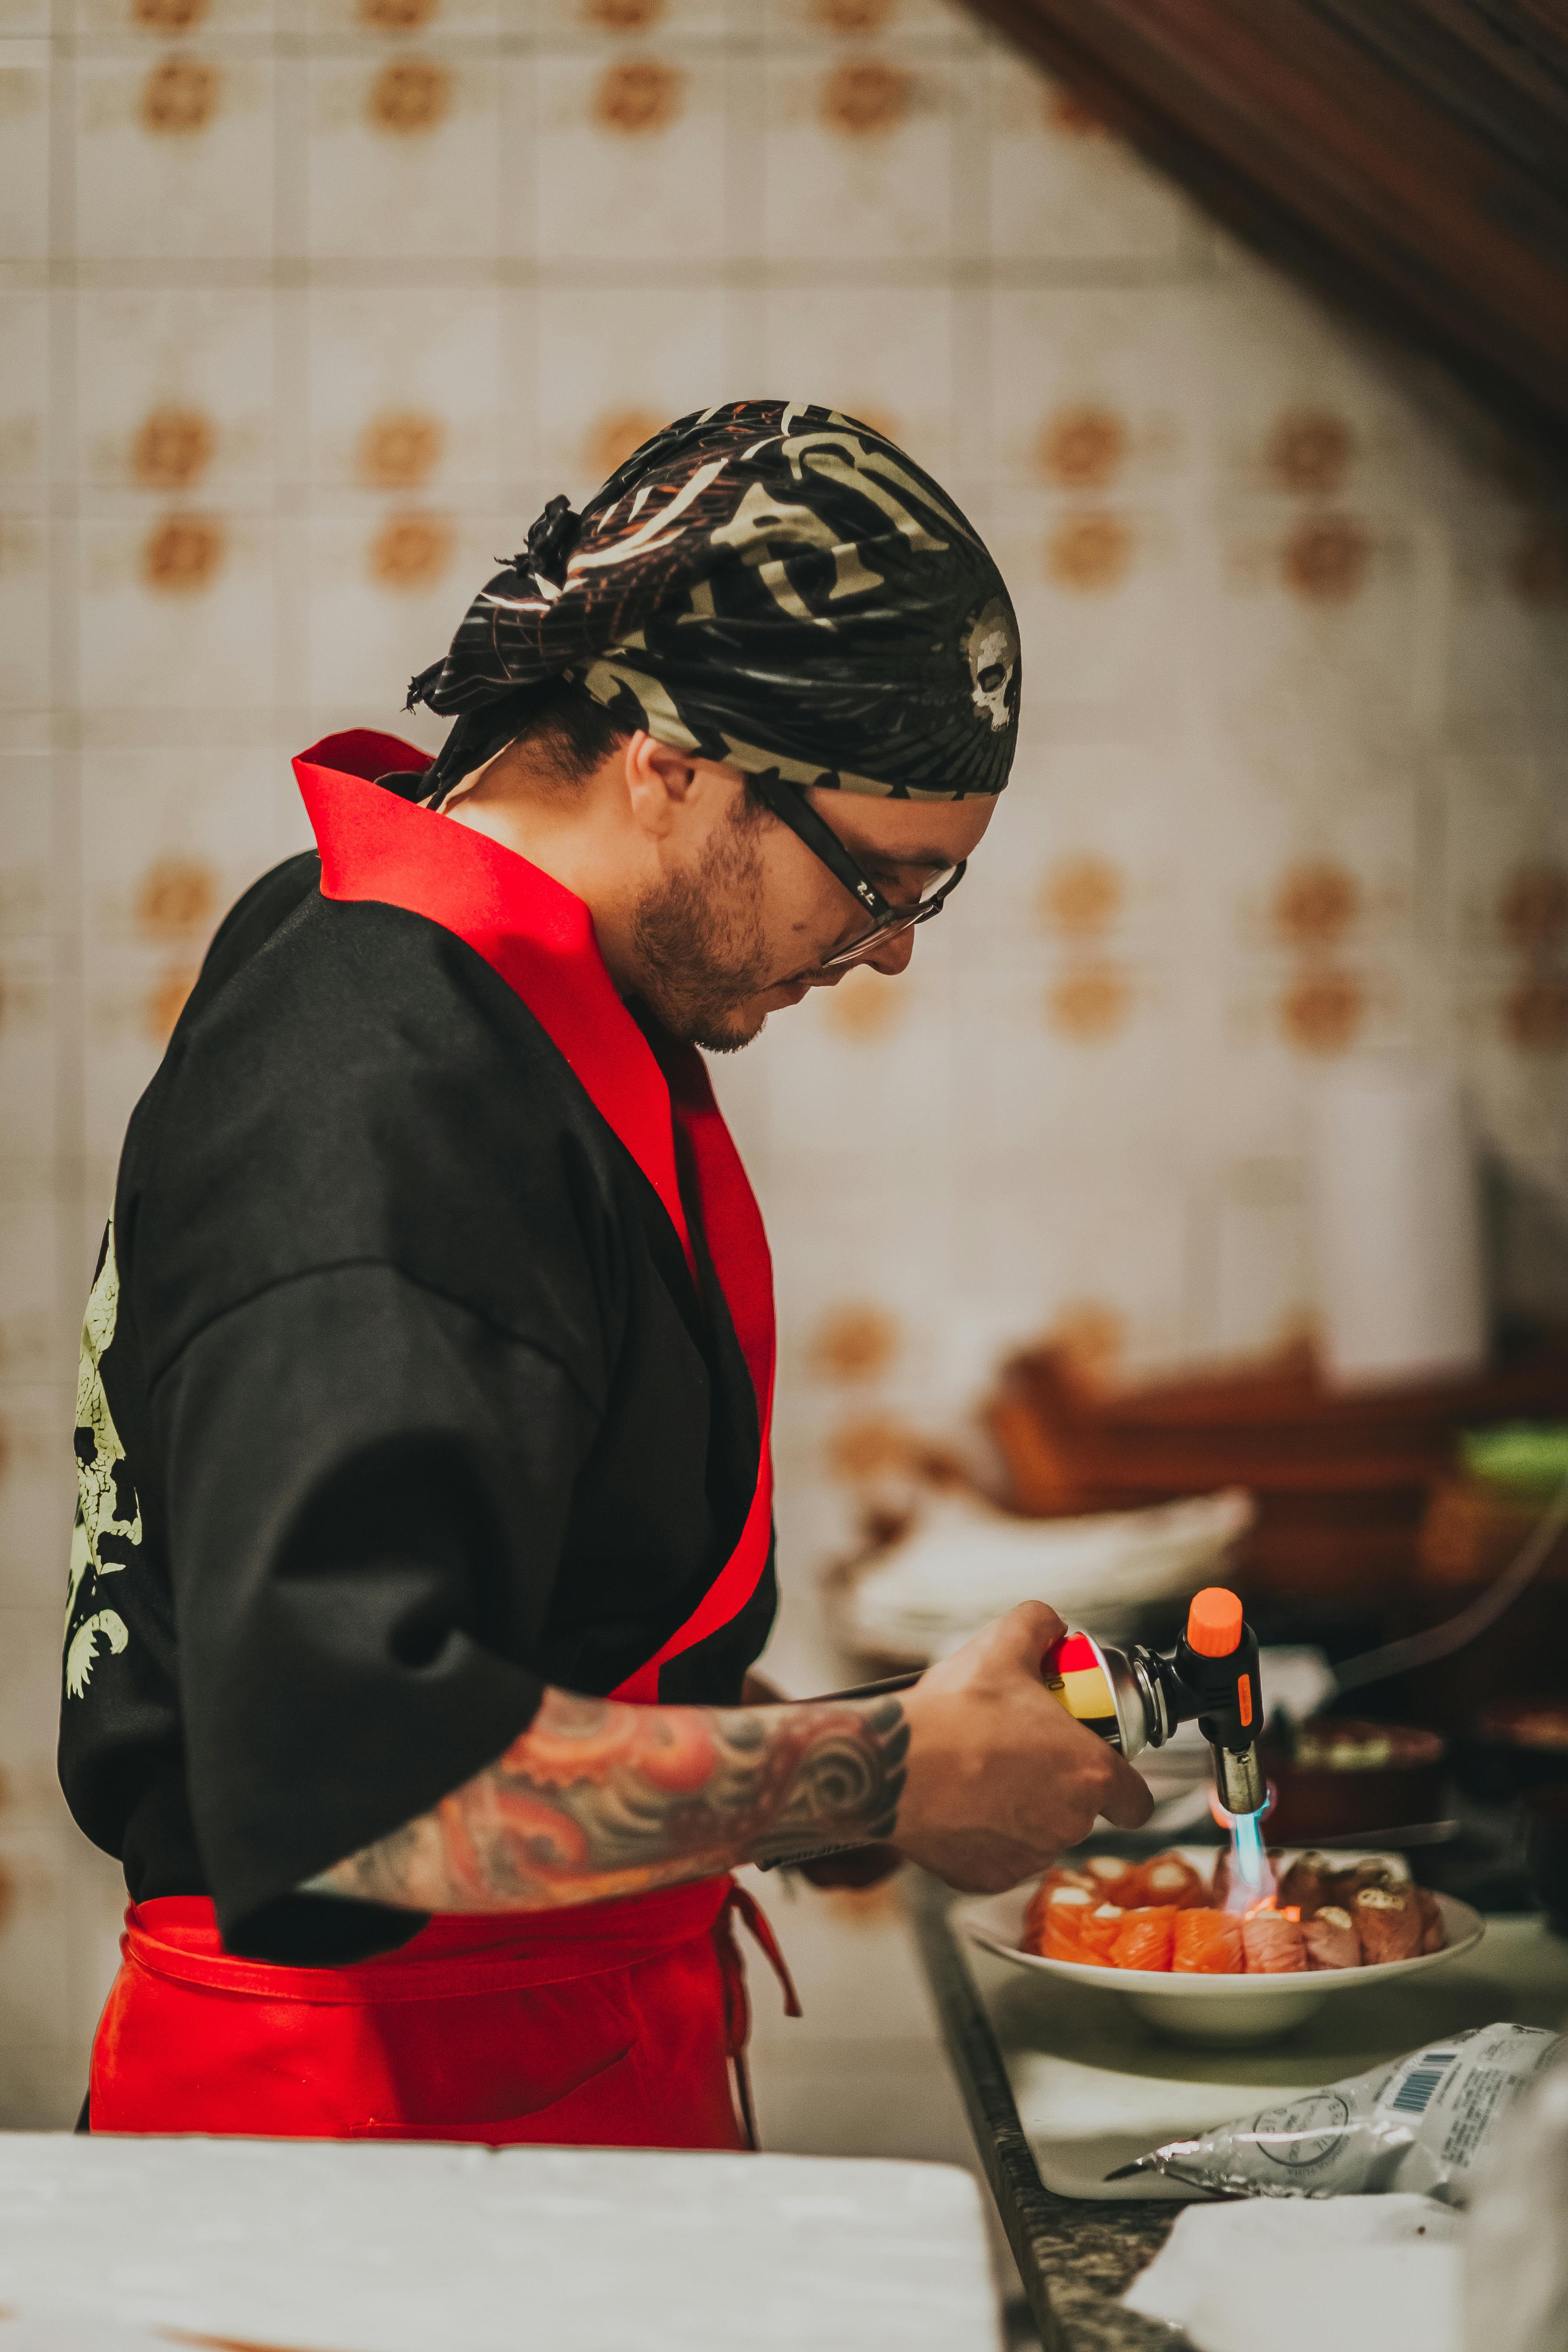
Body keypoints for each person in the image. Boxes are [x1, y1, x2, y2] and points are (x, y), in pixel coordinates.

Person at [60, 402, 1151, 2150]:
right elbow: (352, 1780)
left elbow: (537, 1641)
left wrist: (869, 1769)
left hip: (509, 2076)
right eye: (877, 880)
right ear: (668, 761)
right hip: (358, 2148)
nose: (881, 954)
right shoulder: (385, 1089)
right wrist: (885, 1768)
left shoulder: (497, 1006)